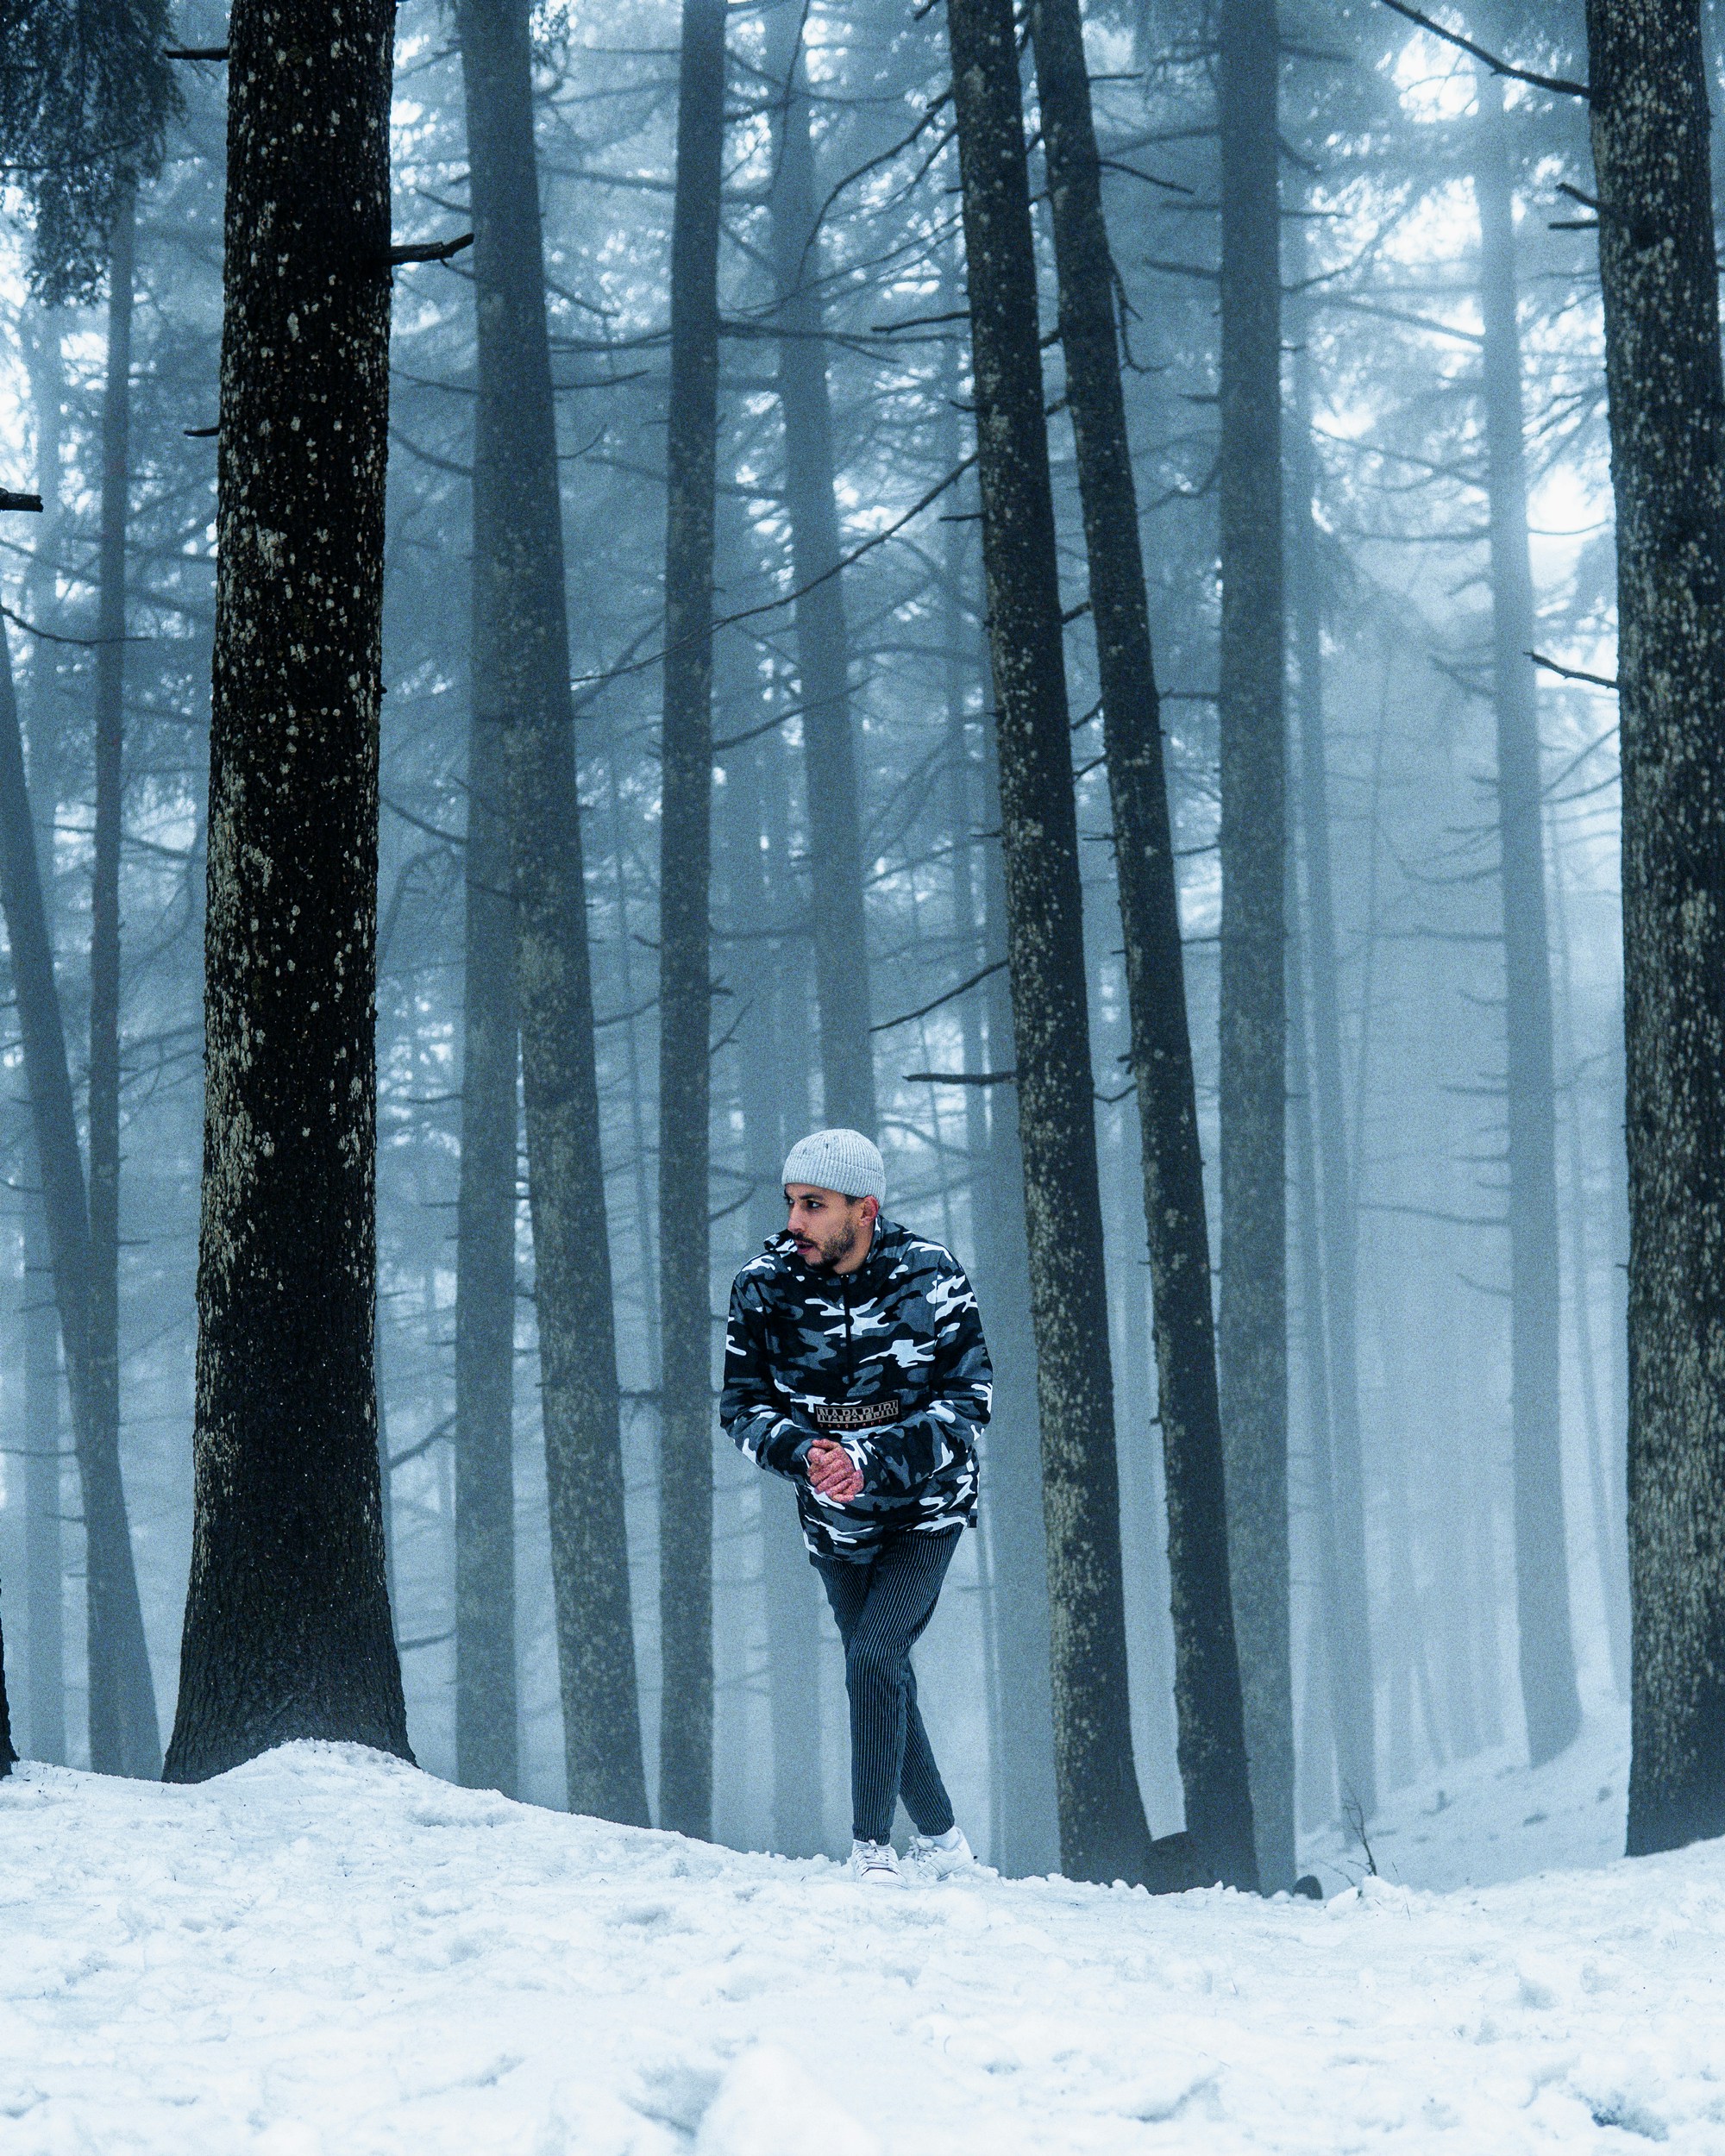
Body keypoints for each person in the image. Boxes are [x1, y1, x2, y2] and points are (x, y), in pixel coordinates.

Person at [721, 1127, 992, 1886]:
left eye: (814, 1205)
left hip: (924, 1508)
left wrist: (869, 1460)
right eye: (790, 1203)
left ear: (864, 1209)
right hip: (833, 1520)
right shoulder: (761, 1285)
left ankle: (872, 1848)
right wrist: (807, 1455)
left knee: (874, 1657)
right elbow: (741, 1405)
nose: (795, 1222)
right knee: (877, 1671)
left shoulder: (932, 1276)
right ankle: (946, 1845)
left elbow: (970, 1399)